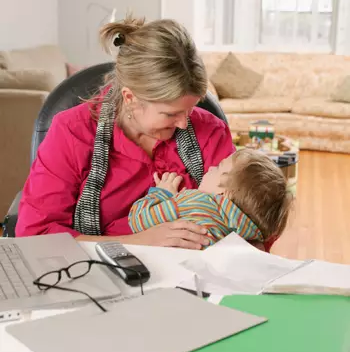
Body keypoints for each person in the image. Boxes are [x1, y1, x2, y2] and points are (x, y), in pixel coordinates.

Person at [16, 15, 235, 250]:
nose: (184, 124)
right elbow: (36, 234)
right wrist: (139, 242)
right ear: (130, 98)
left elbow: (247, 210)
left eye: (190, 110)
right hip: (96, 271)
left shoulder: (210, 130)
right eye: (170, 114)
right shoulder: (72, 132)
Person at [128, 149, 292, 247]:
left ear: (224, 193)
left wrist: (162, 193)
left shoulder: (195, 200)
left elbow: (138, 220)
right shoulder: (247, 233)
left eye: (218, 168)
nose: (211, 167)